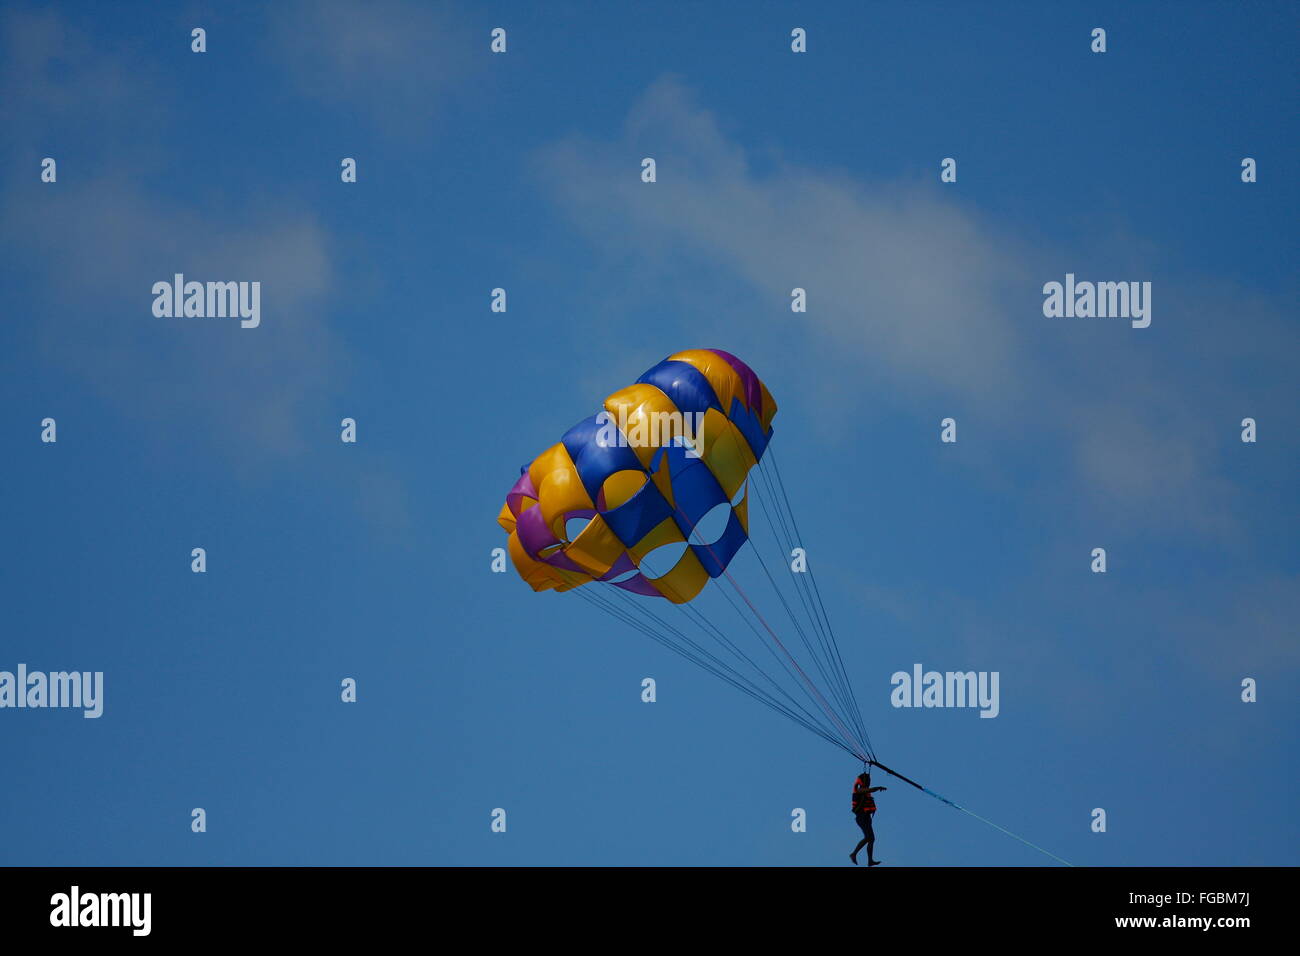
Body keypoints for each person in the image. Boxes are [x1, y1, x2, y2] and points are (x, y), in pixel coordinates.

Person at [850, 770, 886, 866]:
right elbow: (869, 790)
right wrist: (878, 788)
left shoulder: (865, 791)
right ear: (863, 781)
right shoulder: (859, 790)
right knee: (868, 837)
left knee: (871, 839)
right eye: (868, 780)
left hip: (866, 817)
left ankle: (870, 861)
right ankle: (853, 854)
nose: (869, 782)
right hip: (861, 817)